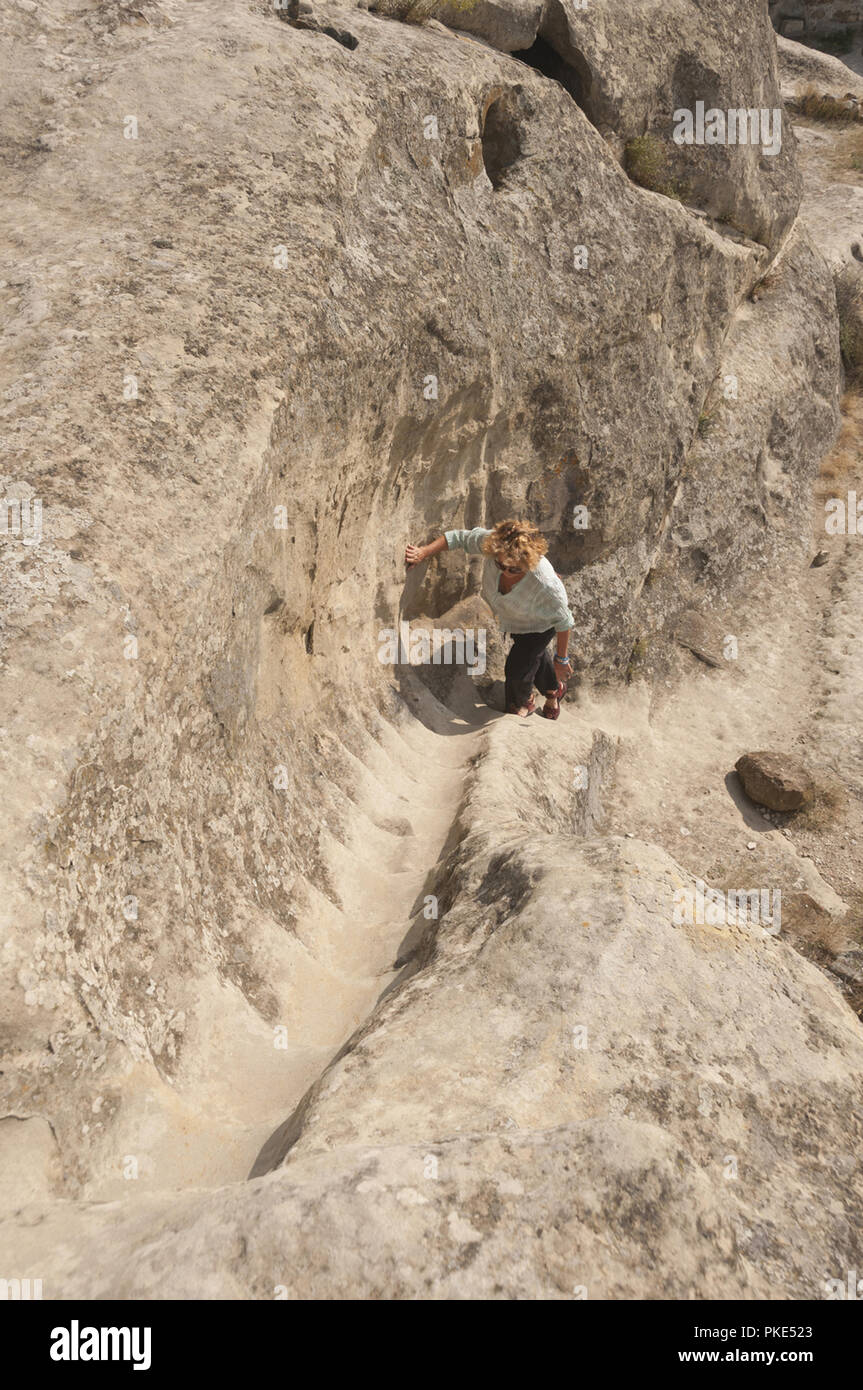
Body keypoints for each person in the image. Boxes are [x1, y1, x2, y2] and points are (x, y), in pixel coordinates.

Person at [405, 519, 575, 719]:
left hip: (539, 624)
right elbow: (457, 538)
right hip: (513, 618)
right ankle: (554, 691)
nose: (505, 571)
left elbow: (565, 621)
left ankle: (521, 703)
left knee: (517, 667)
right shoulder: (494, 544)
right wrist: (424, 552)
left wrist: (561, 660)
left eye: (514, 569)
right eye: (500, 564)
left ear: (529, 563)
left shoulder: (546, 584)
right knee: (533, 657)